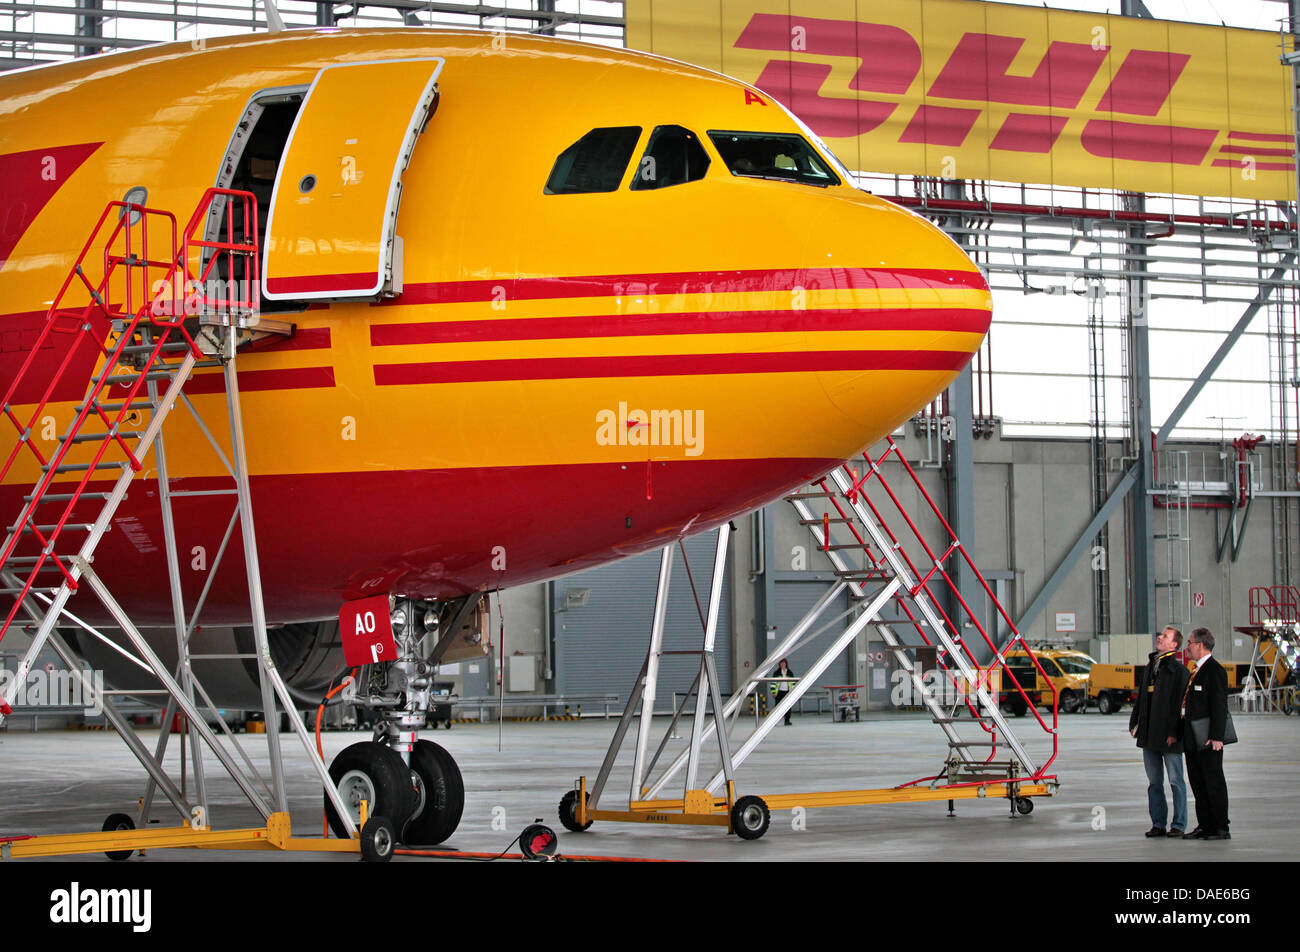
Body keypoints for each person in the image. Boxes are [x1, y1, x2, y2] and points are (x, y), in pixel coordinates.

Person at [1128, 626, 1189, 838]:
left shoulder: (1178, 671)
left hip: (1169, 736)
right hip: (1149, 735)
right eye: (1160, 635)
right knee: (1154, 782)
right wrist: (1134, 723)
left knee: (1175, 781)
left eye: (1165, 636)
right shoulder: (1150, 668)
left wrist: (1174, 732)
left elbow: (1179, 705)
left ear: (1174, 645)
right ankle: (1158, 823)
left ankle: (1179, 824)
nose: (1160, 638)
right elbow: (1142, 699)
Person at [1180, 628, 1231, 841]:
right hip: (1192, 738)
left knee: (1213, 782)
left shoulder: (1214, 670)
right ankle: (1205, 824)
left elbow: (1219, 706)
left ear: (1200, 645)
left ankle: (1220, 827)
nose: (1187, 647)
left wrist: (1218, 736)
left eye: (1190, 643)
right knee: (1198, 783)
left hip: (1209, 739)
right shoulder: (1195, 670)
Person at [772, 658, 796, 726]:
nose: (782, 664)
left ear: (786, 664)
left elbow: (793, 683)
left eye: (784, 663)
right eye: (781, 663)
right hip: (779, 692)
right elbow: (773, 683)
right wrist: (773, 692)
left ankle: (787, 720)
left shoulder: (790, 672)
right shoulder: (776, 673)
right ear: (779, 664)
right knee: (777, 707)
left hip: (787, 692)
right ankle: (774, 721)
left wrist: (793, 692)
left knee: (788, 707)